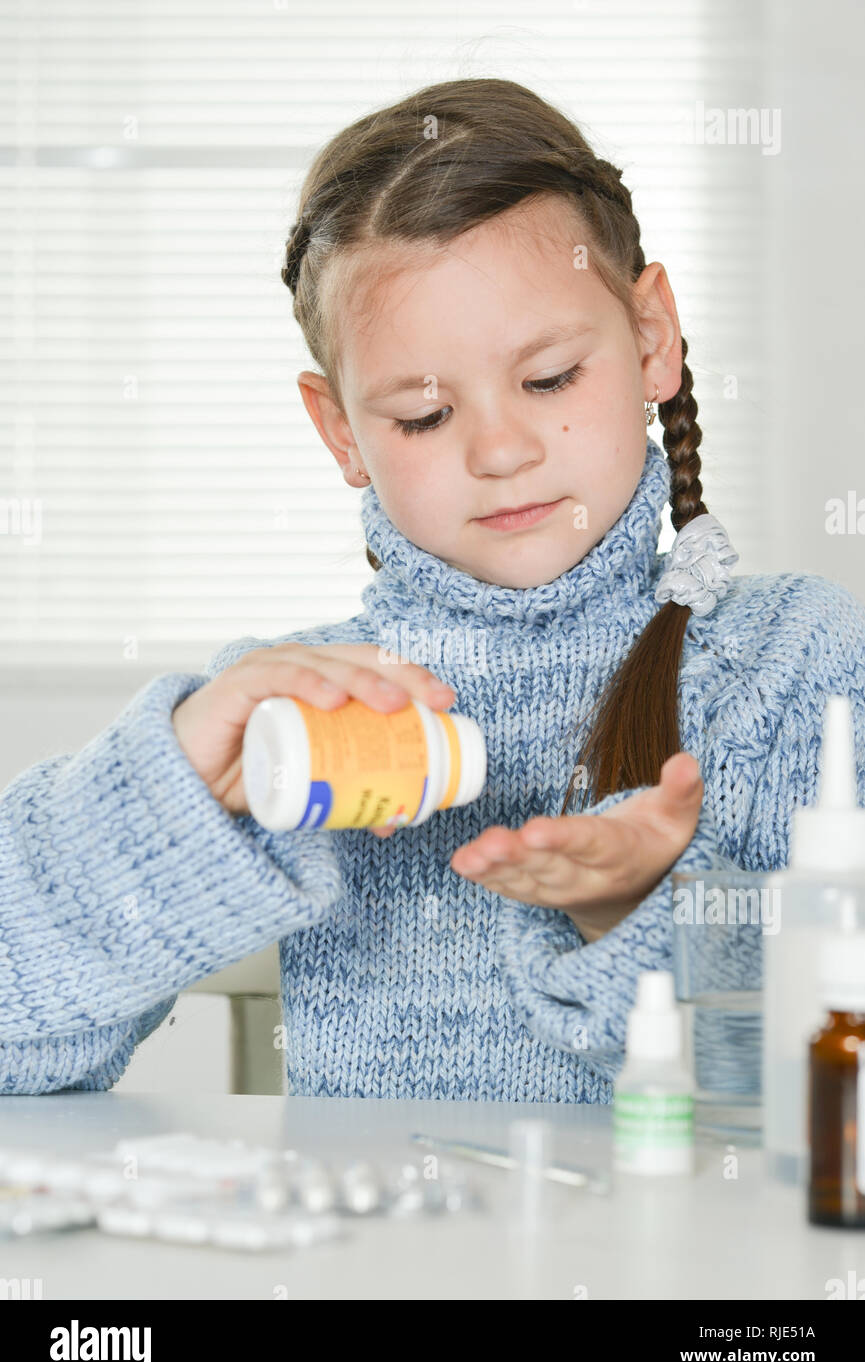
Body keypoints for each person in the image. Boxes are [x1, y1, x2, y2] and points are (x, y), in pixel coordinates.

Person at [2, 78, 863, 1102]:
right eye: (421, 414)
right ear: (340, 433)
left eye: (547, 379)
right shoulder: (301, 718)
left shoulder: (797, 663)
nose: (500, 449)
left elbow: (823, 1102)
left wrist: (636, 913)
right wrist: (164, 797)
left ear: (650, 338)